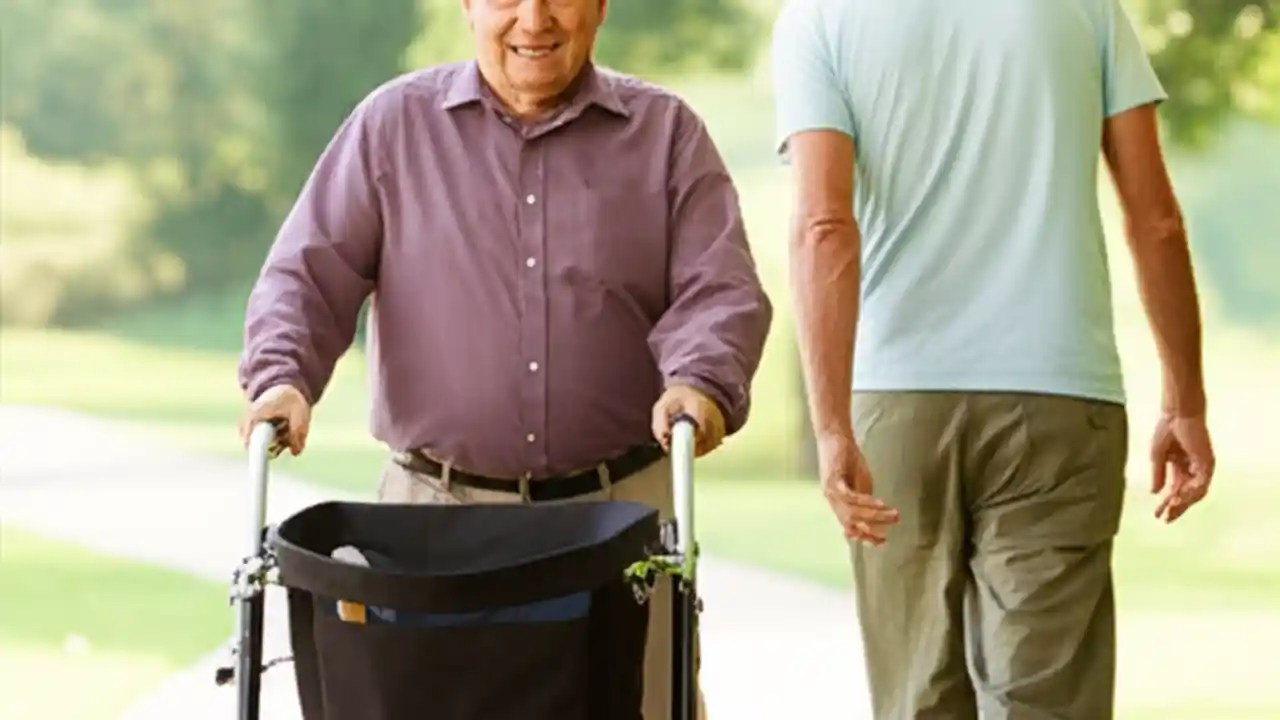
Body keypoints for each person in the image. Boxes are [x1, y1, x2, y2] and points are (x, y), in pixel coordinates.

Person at [236, 0, 773, 717]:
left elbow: (720, 288)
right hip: (432, 523)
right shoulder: (393, 126)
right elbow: (305, 275)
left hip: (616, 522)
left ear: (601, 7)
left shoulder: (665, 134)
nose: (534, 19)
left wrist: (700, 380)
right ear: (468, 6)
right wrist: (281, 378)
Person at [771, 0, 1215, 717]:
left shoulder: (817, 18)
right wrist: (1185, 402)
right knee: (1047, 698)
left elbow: (824, 223)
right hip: (1060, 399)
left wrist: (830, 428)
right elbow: (1155, 219)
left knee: (919, 690)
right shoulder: (1089, 10)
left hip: (898, 401)